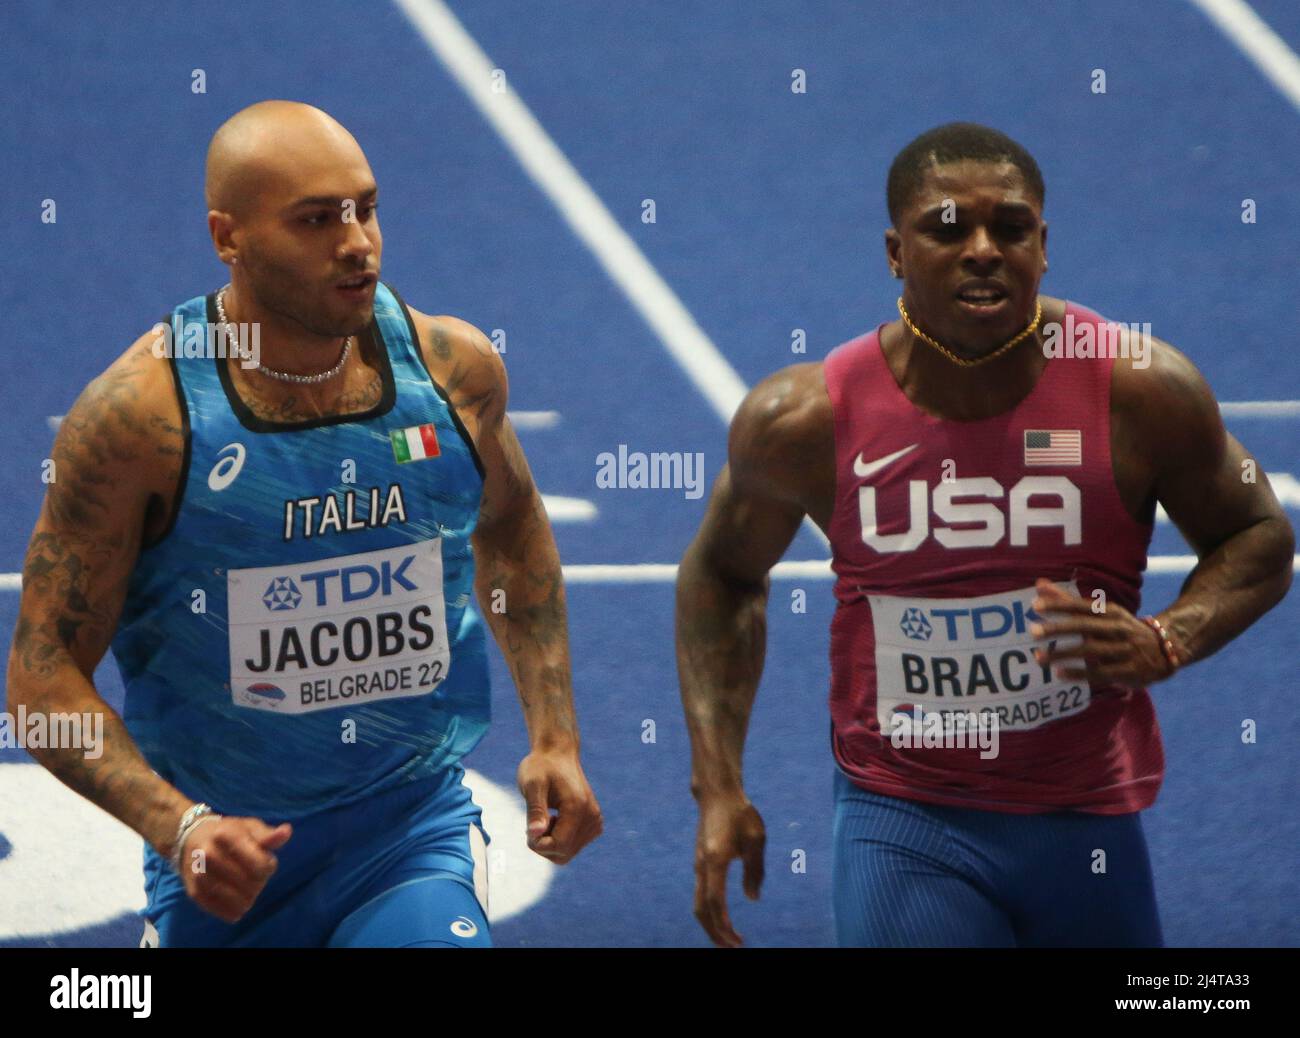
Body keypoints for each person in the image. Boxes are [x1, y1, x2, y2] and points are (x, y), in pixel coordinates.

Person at [676, 122, 1293, 948]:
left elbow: (1259, 534)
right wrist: (719, 787)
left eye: (1010, 228)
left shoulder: (1143, 392)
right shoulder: (802, 421)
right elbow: (721, 575)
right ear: (896, 252)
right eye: (945, 228)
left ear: (1044, 244)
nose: (981, 249)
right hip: (904, 818)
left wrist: (1167, 639)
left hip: (1087, 820)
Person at [5, 100, 602, 947]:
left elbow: (510, 530)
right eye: (317, 220)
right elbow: (42, 681)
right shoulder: (141, 422)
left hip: (407, 830)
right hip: (229, 864)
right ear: (228, 237)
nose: (357, 241)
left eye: (366, 208)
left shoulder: (451, 370)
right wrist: (179, 827)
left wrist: (556, 737)